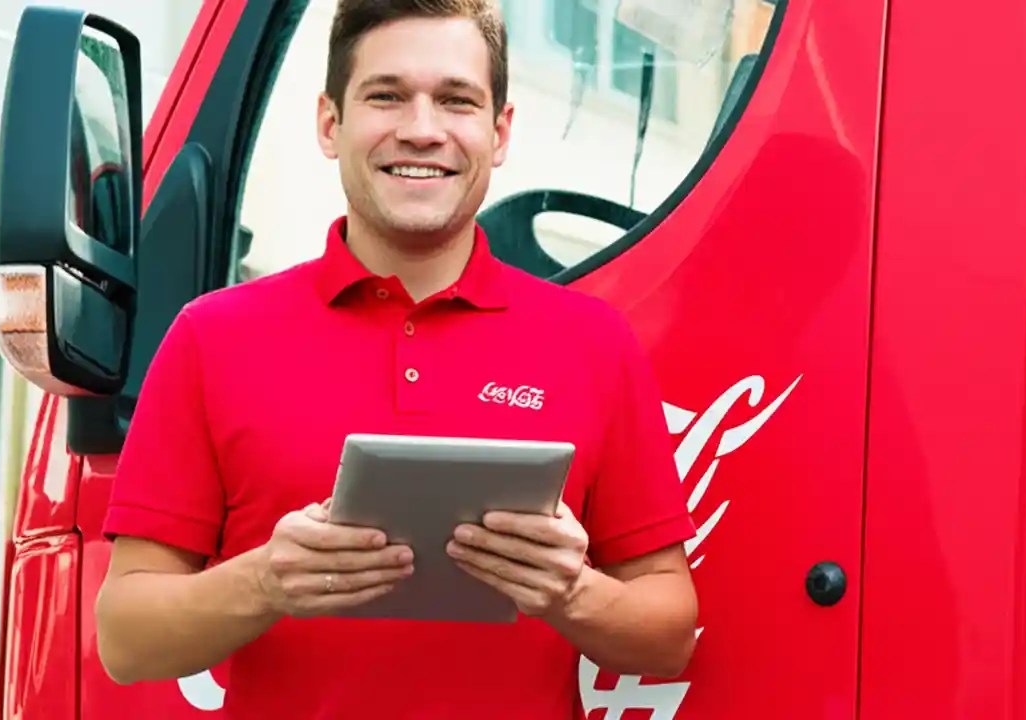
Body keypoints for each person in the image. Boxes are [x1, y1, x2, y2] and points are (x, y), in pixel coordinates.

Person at [94, 0, 699, 717]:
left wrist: (573, 592)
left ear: (498, 132)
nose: (422, 129)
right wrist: (263, 581)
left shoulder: (594, 343)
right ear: (330, 122)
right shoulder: (211, 338)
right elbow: (124, 639)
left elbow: (672, 635)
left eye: (456, 100)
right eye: (386, 96)